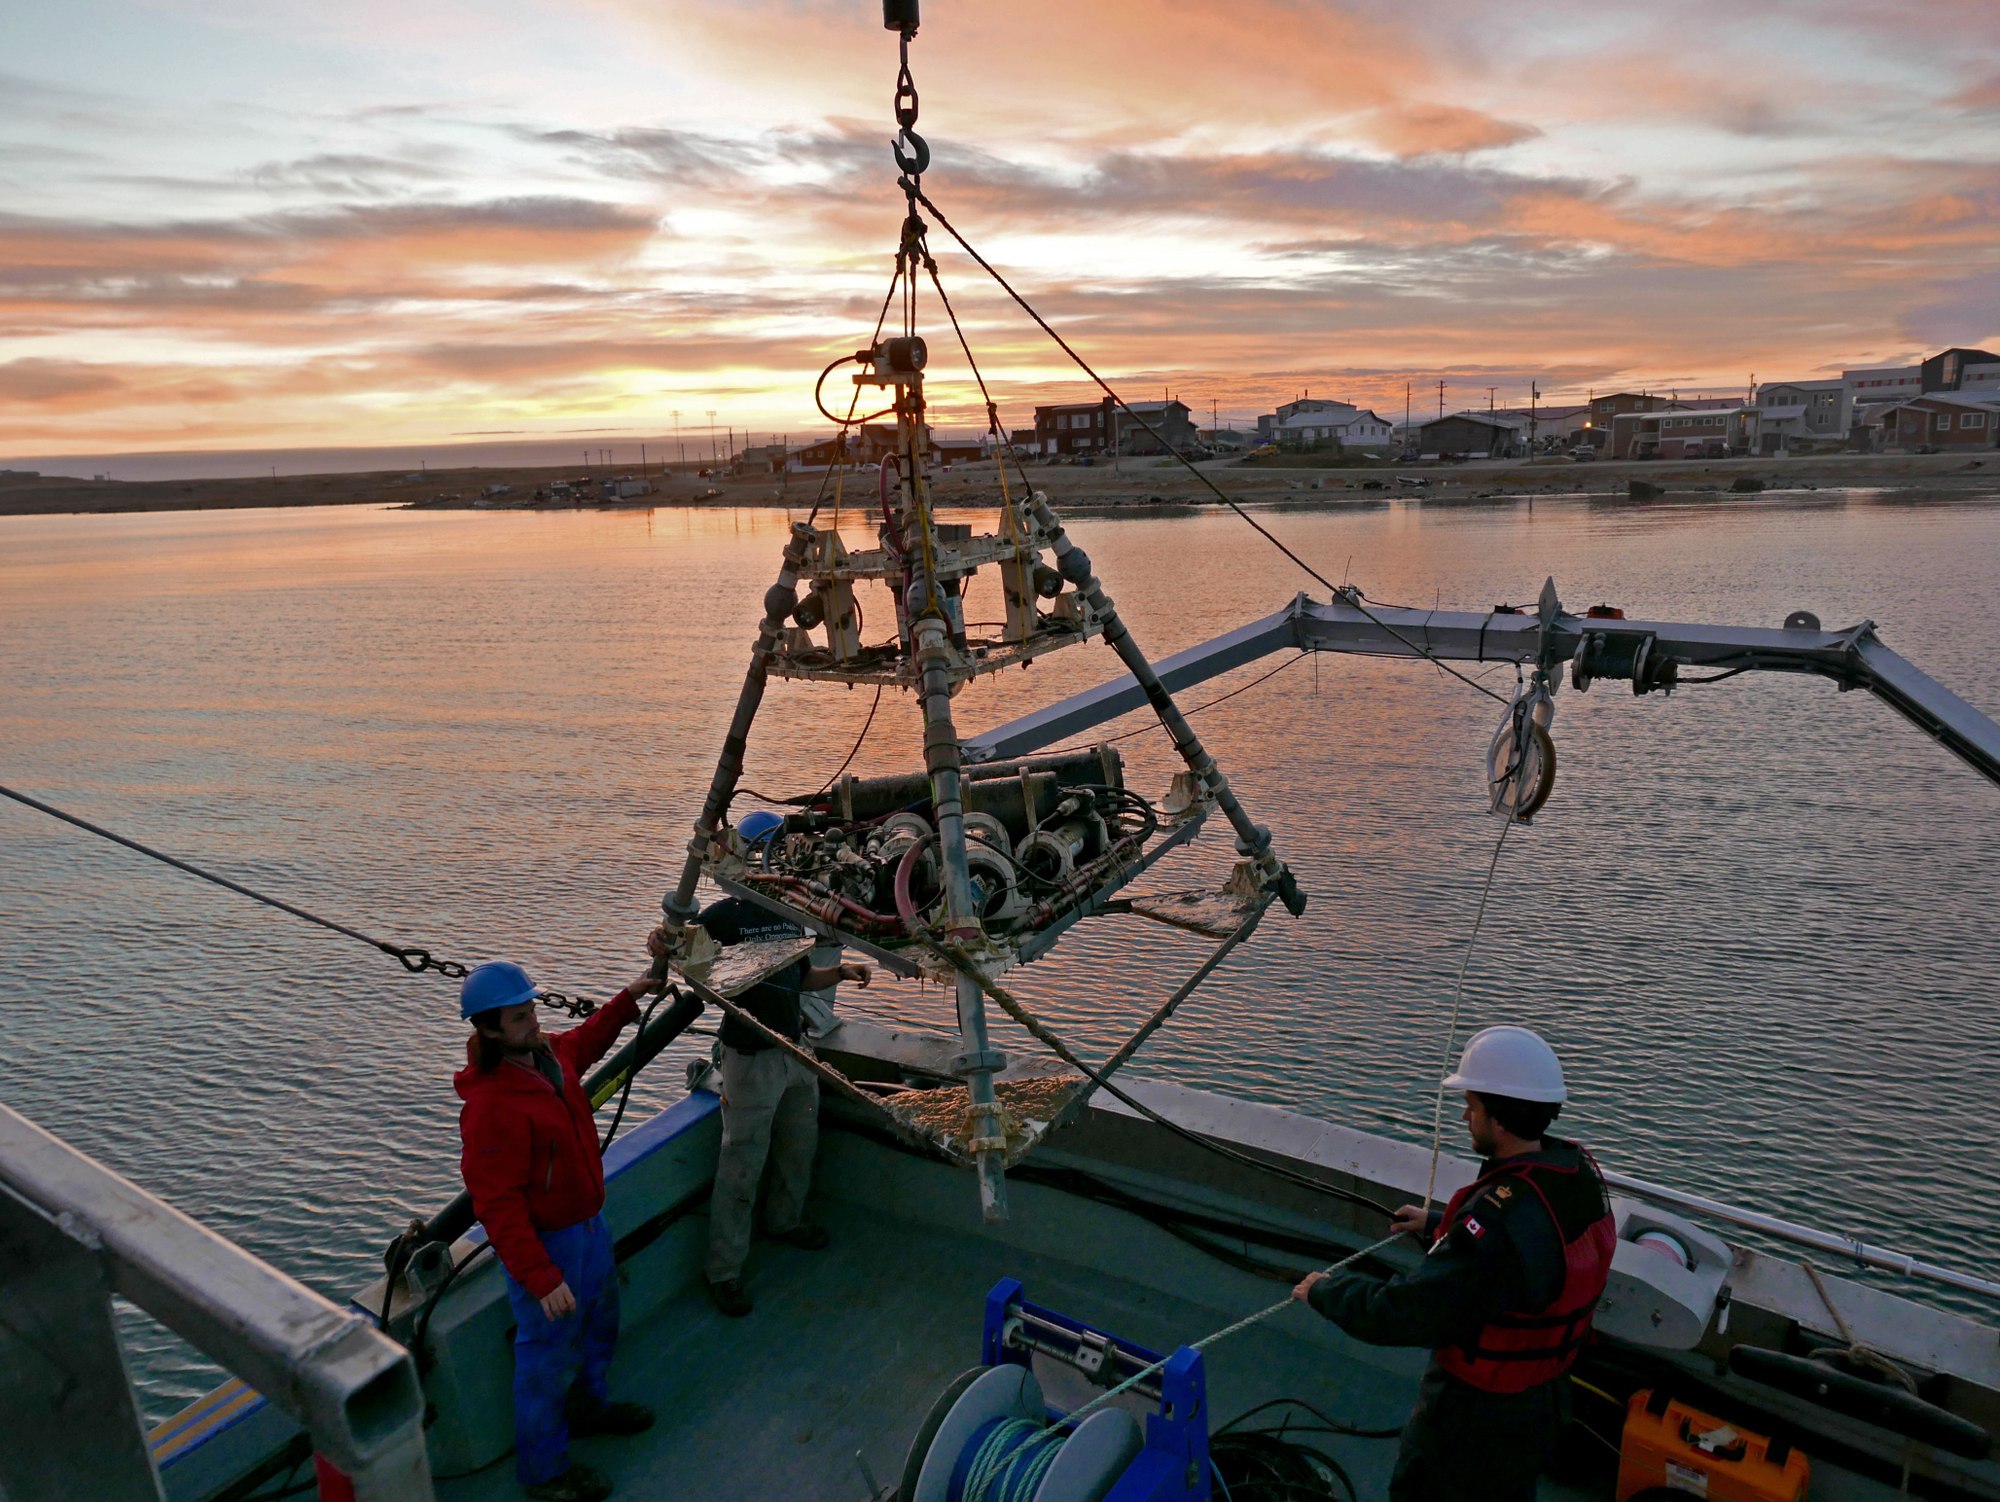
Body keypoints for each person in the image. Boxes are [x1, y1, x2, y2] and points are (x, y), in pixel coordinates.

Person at [1292, 1026, 1615, 1502]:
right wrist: (1441, 1223)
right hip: (1542, 1402)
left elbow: (1406, 1311)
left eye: (1472, 1106)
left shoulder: (1495, 1225)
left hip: (1476, 1418)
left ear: (1500, 1121)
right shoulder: (1576, 1172)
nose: (1465, 1115)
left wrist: (1324, 1291)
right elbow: (1531, 1243)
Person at [456, 948, 664, 1502]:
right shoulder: (490, 1107)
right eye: (519, 1015)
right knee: (545, 1358)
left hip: (589, 1226)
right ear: (491, 1031)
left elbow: (588, 1041)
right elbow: (496, 1204)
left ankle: (589, 1408)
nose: (533, 1019)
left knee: (600, 1319)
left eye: (530, 1007)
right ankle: (545, 1474)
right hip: (549, 1244)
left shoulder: (547, 1057)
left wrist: (631, 997)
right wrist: (540, 1277)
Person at [696, 876, 870, 1318]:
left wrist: (841, 972)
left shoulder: (789, 913)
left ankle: (785, 1220)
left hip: (795, 1049)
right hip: (750, 1057)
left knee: (799, 1144)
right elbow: (689, 966)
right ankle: (723, 1271)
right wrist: (663, 940)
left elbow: (802, 976)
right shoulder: (720, 918)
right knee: (742, 1163)